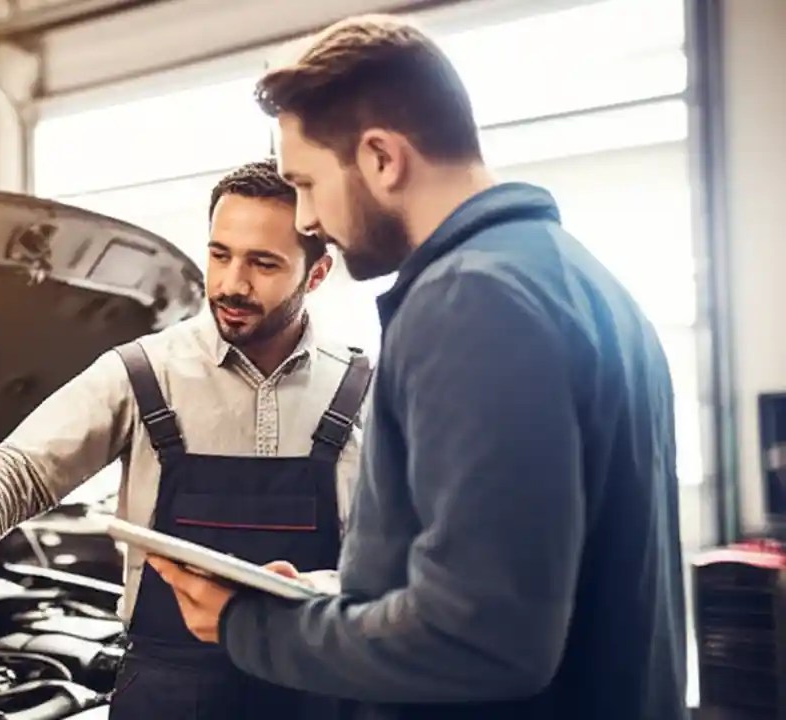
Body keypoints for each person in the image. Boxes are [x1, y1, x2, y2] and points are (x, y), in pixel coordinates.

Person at [148, 14, 689, 720]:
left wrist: (250, 626)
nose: (307, 219)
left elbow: (482, 640)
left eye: (307, 183)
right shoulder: (576, 280)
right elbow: (514, 574)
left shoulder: (471, 300)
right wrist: (335, 597)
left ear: (380, 158)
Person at [0, 159, 374, 719]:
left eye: (263, 263)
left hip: (317, 688)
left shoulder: (364, 392)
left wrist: (330, 591)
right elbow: (21, 470)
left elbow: (406, 562)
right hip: (168, 693)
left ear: (316, 274)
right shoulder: (142, 372)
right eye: (219, 255)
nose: (232, 283)